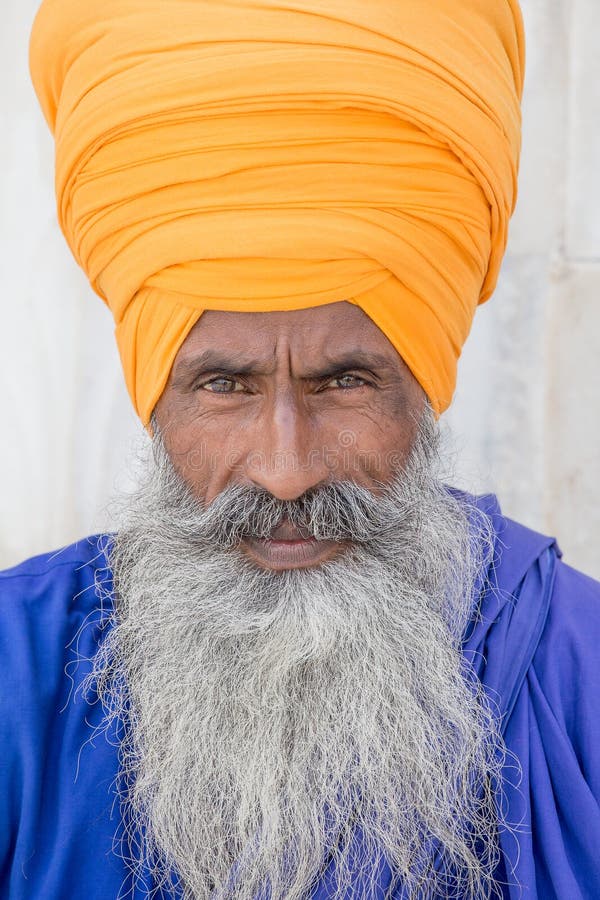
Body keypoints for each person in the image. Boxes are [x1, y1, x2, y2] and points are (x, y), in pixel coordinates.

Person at [1, 1, 598, 898]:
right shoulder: (15, 671)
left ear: (425, 391)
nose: (286, 470)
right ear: (155, 401)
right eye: (224, 385)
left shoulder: (578, 672)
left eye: (344, 381)